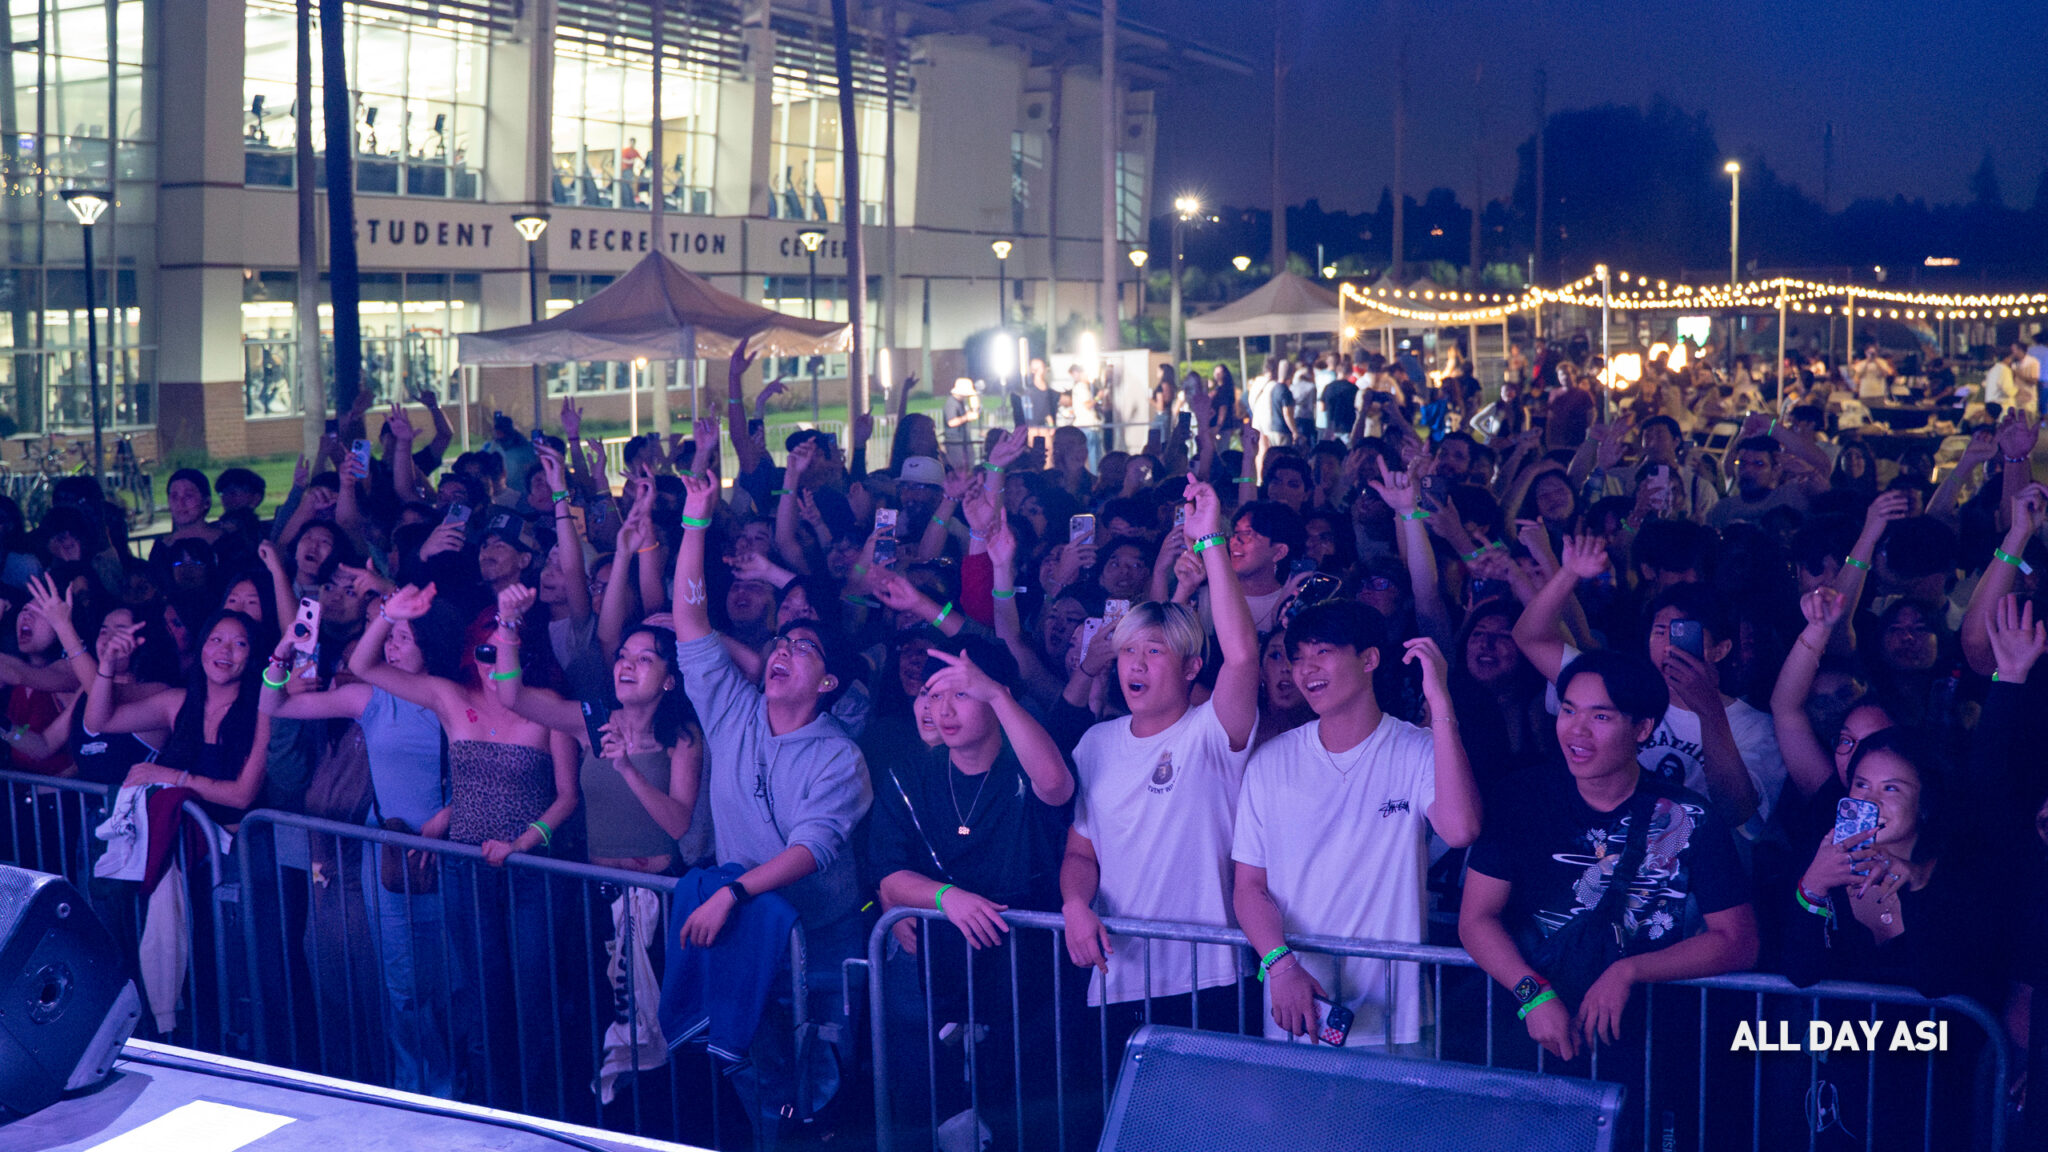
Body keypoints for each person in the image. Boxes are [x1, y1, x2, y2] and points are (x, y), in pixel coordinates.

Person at [1460, 650, 1757, 1145]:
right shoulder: (1520, 798)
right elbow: (1476, 918)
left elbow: (1739, 941)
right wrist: (1532, 994)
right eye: (1570, 710)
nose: (1576, 730)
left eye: (1600, 716)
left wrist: (1628, 971)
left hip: (1645, 1046)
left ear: (1642, 729)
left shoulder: (1689, 815)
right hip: (1526, 1037)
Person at [671, 446, 871, 1143]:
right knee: (757, 1093)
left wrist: (734, 891)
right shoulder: (733, 708)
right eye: (780, 642)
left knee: (820, 1106)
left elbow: (810, 851)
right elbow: (692, 625)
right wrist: (696, 524)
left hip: (820, 949)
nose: (783, 650)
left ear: (826, 684)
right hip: (751, 943)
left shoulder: (839, 756)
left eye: (804, 649)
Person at [1232, 601, 1481, 1047]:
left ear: (1368, 659)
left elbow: (1461, 829)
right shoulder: (1270, 762)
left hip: (1397, 1014)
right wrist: (1281, 965)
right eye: (1298, 657)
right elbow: (1249, 886)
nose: (1305, 670)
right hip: (1298, 1008)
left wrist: (1440, 701)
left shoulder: (1416, 748)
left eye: (1322, 652)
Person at [1060, 475, 1259, 1026]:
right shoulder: (1095, 743)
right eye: (1127, 652)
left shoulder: (1212, 731)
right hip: (1116, 975)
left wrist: (1211, 540)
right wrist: (1075, 905)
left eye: (1154, 651)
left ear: (1192, 667)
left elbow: (1242, 657)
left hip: (1210, 978)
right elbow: (1082, 854)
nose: (1137, 665)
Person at [941, 378, 981, 466]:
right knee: (959, 466)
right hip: (955, 442)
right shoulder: (951, 403)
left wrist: (974, 401)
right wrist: (966, 417)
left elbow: (975, 411)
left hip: (964, 440)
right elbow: (951, 422)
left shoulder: (962, 402)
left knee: (970, 463)